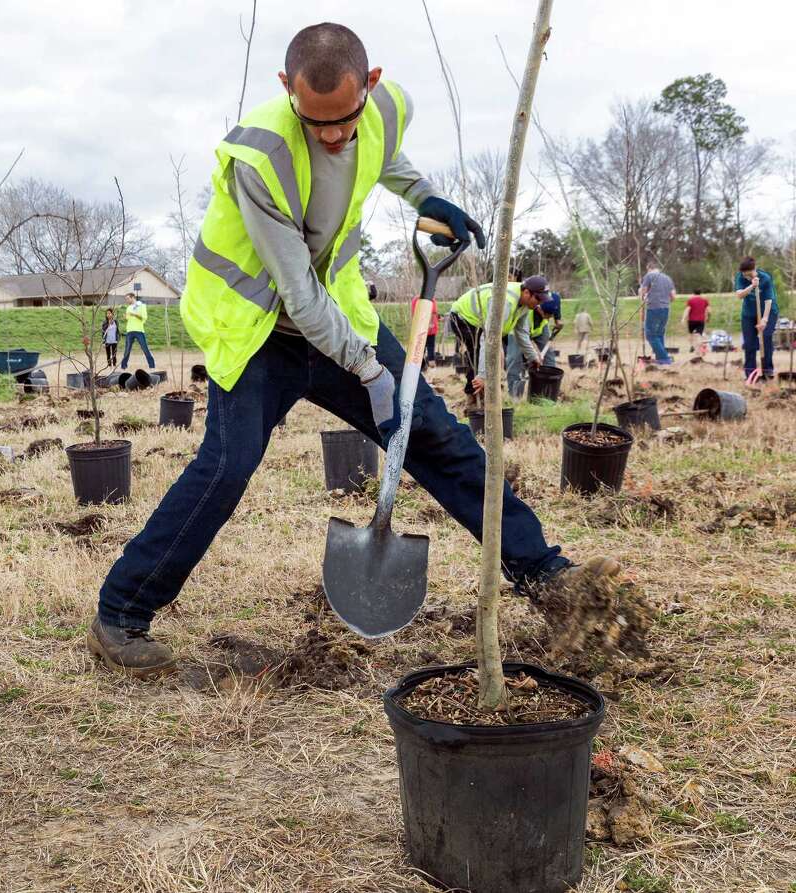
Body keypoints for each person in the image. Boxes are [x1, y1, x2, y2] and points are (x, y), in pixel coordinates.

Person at [85, 23, 619, 678]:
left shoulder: (387, 110)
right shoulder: (261, 156)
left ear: (370, 85)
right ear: (287, 90)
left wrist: (424, 194)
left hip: (340, 313)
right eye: (318, 124)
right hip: (259, 330)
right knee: (226, 466)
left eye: (347, 119)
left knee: (437, 437)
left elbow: (380, 155)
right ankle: (121, 611)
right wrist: (369, 370)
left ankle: (546, 574)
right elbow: (298, 295)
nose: (335, 136)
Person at [449, 276, 547, 403]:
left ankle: (488, 396)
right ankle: (474, 399)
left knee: (494, 356)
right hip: (463, 317)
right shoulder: (505, 302)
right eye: (538, 299)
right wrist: (483, 375)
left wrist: (533, 357)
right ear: (527, 292)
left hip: (482, 323)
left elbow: (522, 333)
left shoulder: (525, 305)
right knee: (479, 354)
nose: (539, 303)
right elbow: (489, 337)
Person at [507, 289, 560, 397]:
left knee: (549, 359)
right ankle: (515, 396)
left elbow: (557, 304)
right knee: (515, 360)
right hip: (517, 332)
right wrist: (533, 355)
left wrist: (558, 319)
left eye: (551, 314)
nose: (548, 317)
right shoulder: (527, 311)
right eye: (546, 314)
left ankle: (546, 395)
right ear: (538, 306)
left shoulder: (553, 300)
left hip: (540, 329)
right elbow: (523, 337)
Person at [735, 257, 777, 380]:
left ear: (753, 269)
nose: (745, 276)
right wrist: (752, 286)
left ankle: (767, 372)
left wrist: (764, 319)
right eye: (743, 274)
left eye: (747, 274)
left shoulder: (766, 278)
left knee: (766, 338)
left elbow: (769, 300)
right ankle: (750, 374)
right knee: (749, 343)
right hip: (748, 314)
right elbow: (739, 295)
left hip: (768, 313)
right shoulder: (740, 277)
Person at [638, 261, 676, 365]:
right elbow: (673, 297)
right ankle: (660, 358)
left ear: (649, 268)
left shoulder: (649, 276)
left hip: (653, 308)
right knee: (659, 333)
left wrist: (640, 288)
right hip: (666, 308)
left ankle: (664, 358)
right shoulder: (668, 278)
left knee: (650, 334)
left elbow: (643, 292)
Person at [119, 292, 155, 370]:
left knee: (145, 349)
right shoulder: (128, 308)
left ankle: (152, 366)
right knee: (127, 350)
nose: (127, 300)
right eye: (126, 299)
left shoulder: (142, 306)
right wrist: (125, 317)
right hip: (129, 331)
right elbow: (128, 318)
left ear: (133, 297)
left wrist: (134, 314)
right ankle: (123, 367)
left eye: (128, 299)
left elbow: (144, 318)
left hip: (139, 330)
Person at [411, 295, 438, 365]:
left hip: (419, 328)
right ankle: (431, 363)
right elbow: (433, 312)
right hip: (430, 329)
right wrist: (431, 323)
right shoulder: (431, 298)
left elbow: (414, 314)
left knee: (419, 347)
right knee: (430, 346)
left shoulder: (415, 299)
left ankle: (420, 365)